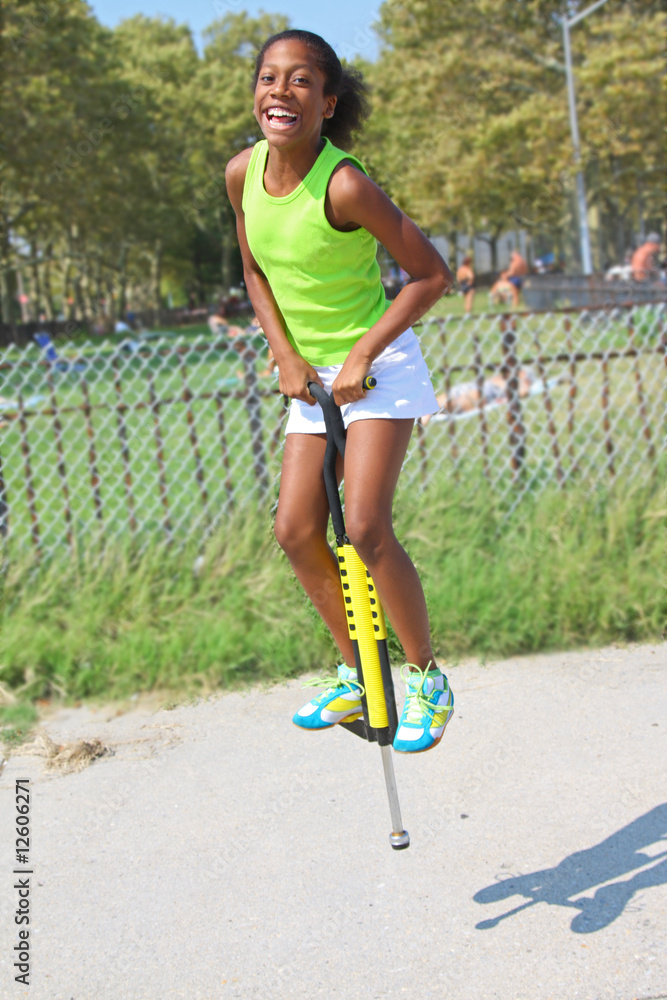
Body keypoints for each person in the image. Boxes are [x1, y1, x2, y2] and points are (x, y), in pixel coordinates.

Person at [225, 29, 455, 753]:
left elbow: (430, 274)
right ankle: (360, 670)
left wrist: (359, 354)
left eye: (300, 81)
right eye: (268, 77)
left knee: (362, 527)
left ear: (328, 102)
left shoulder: (344, 183)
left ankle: (425, 678)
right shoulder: (241, 174)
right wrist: (284, 353)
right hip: (309, 377)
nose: (279, 91)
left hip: (377, 371)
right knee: (294, 529)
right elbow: (255, 272)